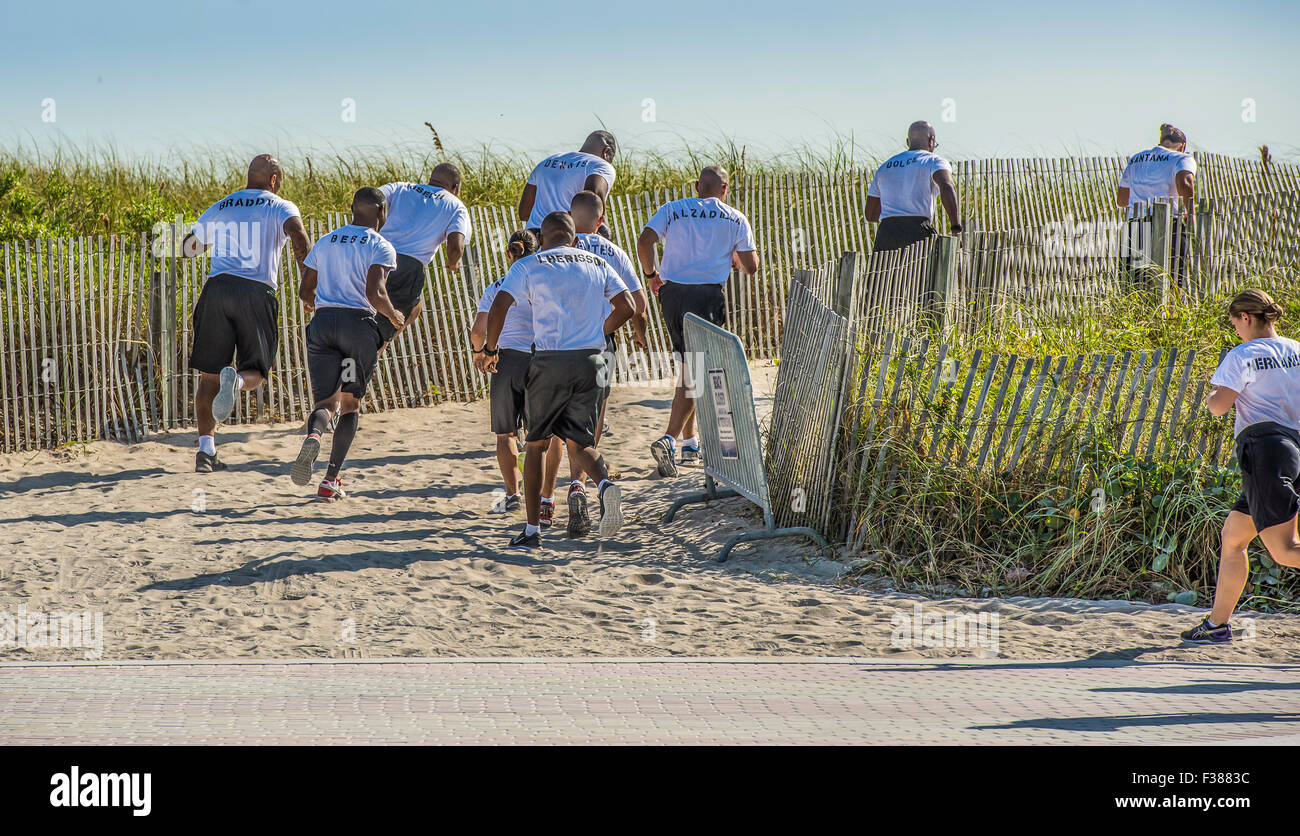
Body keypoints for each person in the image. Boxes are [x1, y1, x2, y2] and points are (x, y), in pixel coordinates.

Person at [484, 211, 636, 548]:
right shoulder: (597, 262)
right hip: (592, 361)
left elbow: (500, 306)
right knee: (582, 444)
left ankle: (532, 531)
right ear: (575, 238)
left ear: (542, 239)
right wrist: (601, 330)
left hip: (551, 361)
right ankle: (606, 487)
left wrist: (491, 349)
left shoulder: (530, 264)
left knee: (536, 445)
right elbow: (628, 306)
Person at [1181, 290, 1300, 643]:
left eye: (1235, 323)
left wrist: (1209, 395)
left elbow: (1219, 407)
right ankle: (1217, 626)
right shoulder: (1296, 348)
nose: (1235, 331)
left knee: (1284, 549)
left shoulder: (1243, 354)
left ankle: (1218, 626)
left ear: (1246, 318)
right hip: (1295, 449)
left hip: (1266, 452)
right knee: (1233, 538)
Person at [182, 154, 312, 472]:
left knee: (208, 376)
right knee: (256, 370)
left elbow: (188, 247)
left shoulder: (224, 205)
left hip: (217, 289)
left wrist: (217, 241)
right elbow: (298, 236)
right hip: (255, 291)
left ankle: (205, 451)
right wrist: (310, 285)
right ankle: (238, 382)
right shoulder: (280, 205)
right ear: (273, 180)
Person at [636, 165, 757, 478]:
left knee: (688, 366)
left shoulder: (673, 209)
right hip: (706, 297)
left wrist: (651, 276)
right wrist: (733, 256)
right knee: (699, 371)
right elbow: (752, 266)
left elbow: (644, 241)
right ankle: (670, 439)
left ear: (696, 186)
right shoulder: (734, 217)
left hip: (672, 295)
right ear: (724, 189)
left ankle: (690, 443)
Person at [289, 188, 402, 500]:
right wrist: (393, 315)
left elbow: (305, 290)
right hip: (357, 330)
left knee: (325, 403)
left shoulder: (327, 240)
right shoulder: (380, 244)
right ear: (382, 212)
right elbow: (375, 291)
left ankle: (314, 433)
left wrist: (316, 303)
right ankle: (330, 480)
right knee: (350, 404)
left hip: (323, 325)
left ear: (352, 209)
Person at [557, 190, 649, 534]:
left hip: (560, 343)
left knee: (559, 427)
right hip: (600, 341)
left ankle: (573, 490)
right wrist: (638, 334)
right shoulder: (612, 252)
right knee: (591, 422)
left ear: (568, 214)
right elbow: (637, 304)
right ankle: (588, 486)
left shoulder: (553, 249)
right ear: (601, 220)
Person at [470, 230, 539, 518]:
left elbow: (478, 331)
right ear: (538, 253)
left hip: (505, 361)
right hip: (539, 359)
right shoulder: (545, 284)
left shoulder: (495, 287)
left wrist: (480, 352)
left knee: (505, 433)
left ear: (509, 254)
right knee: (540, 436)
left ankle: (512, 494)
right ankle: (543, 497)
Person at [375, 164, 472, 345]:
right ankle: (368, 360)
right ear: (455, 188)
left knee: (414, 308)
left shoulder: (401, 187)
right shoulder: (456, 206)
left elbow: (370, 199)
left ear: (431, 179)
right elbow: (456, 246)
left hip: (374, 255)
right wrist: (453, 263)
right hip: (406, 267)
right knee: (388, 324)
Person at [864, 121, 962, 252]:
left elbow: (870, 214)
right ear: (931, 141)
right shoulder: (934, 161)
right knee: (923, 272)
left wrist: (895, 216)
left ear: (907, 141)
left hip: (886, 233)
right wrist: (955, 227)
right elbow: (947, 186)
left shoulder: (885, 167)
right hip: (917, 231)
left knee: (886, 272)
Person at [1116, 124, 1196, 281]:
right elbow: (1185, 182)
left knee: (1135, 283)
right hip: (1167, 225)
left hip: (1136, 225)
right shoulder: (1182, 158)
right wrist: (1191, 212)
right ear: (1183, 146)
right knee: (1171, 279)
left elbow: (1122, 200)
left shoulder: (1135, 159)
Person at [517, 131, 617, 238]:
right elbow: (593, 199)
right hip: (565, 239)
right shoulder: (600, 165)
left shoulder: (546, 162)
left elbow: (524, 212)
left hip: (533, 238)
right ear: (607, 152)